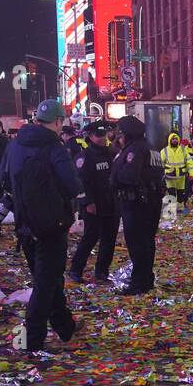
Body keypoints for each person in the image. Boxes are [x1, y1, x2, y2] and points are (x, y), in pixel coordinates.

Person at [0, 99, 79, 351]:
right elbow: (73, 185)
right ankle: (33, 340)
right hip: (52, 225)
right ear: (57, 122)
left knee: (48, 279)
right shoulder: (54, 148)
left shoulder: (14, 145)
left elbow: (3, 177)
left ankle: (65, 326)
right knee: (45, 285)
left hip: (25, 225)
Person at [111, 114, 164, 295]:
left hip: (137, 203)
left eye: (121, 134)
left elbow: (129, 176)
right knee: (147, 242)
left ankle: (138, 283)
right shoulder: (151, 148)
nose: (119, 137)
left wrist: (115, 176)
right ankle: (146, 279)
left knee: (137, 244)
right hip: (152, 202)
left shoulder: (135, 150)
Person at [68, 120, 120, 283]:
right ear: (90, 136)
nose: (103, 138)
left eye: (104, 134)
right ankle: (76, 270)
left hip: (112, 204)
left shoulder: (112, 152)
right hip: (94, 205)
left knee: (109, 239)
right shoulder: (84, 157)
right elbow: (80, 183)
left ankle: (102, 271)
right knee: (90, 238)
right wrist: (87, 203)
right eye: (98, 135)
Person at [160, 132, 193, 211]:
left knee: (180, 195)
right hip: (169, 178)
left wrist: (192, 173)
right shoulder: (164, 151)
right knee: (171, 194)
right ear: (170, 140)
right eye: (173, 139)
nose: (175, 140)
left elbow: (189, 162)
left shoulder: (183, 150)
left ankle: (179, 209)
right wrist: (160, 175)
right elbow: (160, 164)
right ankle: (171, 211)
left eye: (176, 139)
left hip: (181, 178)